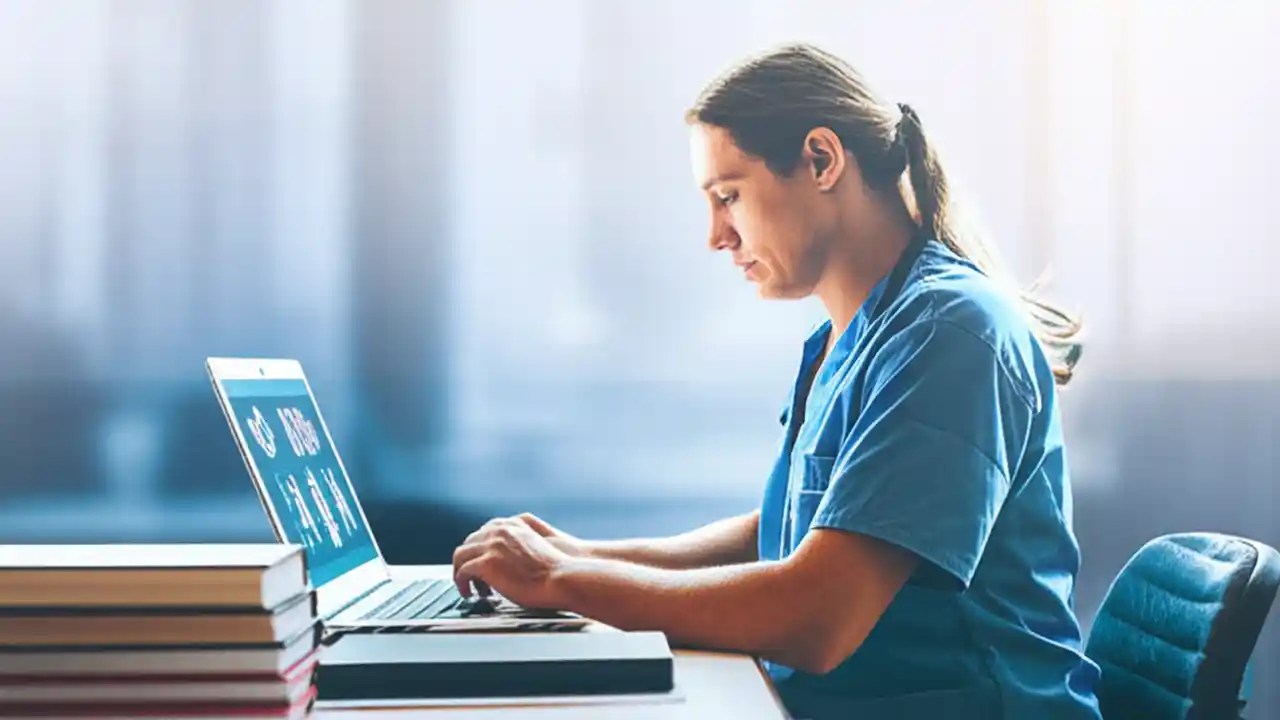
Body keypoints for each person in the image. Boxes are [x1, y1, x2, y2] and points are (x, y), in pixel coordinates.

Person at [451, 43, 1101, 719]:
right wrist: (582, 556)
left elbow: (816, 615)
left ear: (822, 160)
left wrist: (560, 579)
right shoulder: (853, 338)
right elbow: (791, 531)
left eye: (728, 195)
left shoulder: (951, 334)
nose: (715, 236)